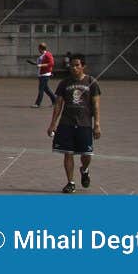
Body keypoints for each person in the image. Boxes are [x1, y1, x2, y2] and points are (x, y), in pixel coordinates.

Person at [46, 54, 101, 193]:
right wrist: (53, 123)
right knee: (68, 153)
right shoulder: (64, 83)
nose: (74, 68)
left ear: (83, 66)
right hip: (67, 123)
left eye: (77, 65)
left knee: (86, 154)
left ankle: (84, 169)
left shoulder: (91, 82)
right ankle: (70, 182)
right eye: (72, 65)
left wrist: (97, 124)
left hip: (85, 123)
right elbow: (58, 104)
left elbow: (96, 105)